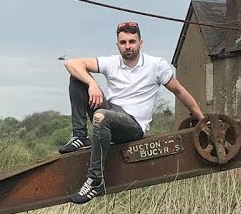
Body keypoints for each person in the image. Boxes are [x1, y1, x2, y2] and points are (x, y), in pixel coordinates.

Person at [60, 21, 205, 204]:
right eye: (123, 42)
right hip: (111, 114)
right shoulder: (112, 62)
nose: (127, 46)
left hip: (133, 126)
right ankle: (80, 136)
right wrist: (92, 83)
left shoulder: (156, 65)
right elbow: (71, 63)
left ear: (140, 43)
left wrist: (202, 120)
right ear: (118, 45)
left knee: (100, 117)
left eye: (131, 41)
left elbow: (180, 92)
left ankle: (95, 180)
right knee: (77, 78)